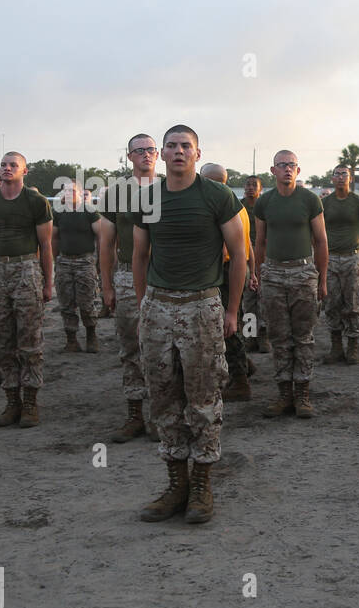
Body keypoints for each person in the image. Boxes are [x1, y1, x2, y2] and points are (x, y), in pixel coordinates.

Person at [133, 125, 246, 524]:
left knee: (203, 398)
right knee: (163, 396)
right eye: (172, 146)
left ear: (198, 153)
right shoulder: (149, 199)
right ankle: (175, 483)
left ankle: (201, 485)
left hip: (202, 306)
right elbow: (140, 255)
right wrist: (145, 302)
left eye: (186, 146)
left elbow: (239, 256)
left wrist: (232, 311)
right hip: (158, 308)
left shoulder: (218, 196)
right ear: (161, 154)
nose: (179, 151)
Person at [0, 153, 54, 427]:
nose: (6, 169)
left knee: (30, 340)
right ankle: (12, 402)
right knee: (2, 339)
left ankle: (31, 402)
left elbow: (46, 246)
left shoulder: (36, 202)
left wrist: (48, 282)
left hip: (26, 270)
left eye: (13, 166)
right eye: (3, 165)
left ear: (24, 171)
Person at [254, 150, 329, 418]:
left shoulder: (309, 200)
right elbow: (259, 241)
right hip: (273, 274)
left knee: (304, 337)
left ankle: (303, 395)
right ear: (273, 170)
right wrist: (258, 274)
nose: (287, 169)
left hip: (303, 273)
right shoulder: (264, 202)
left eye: (292, 165)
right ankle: (284, 394)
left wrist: (322, 279)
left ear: (299, 171)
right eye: (282, 165)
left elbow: (320, 241)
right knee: (279, 336)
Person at [97, 133, 160, 443]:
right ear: (129, 156)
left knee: (164, 348)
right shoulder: (116, 193)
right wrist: (106, 286)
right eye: (139, 151)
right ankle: (135, 414)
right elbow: (106, 244)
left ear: (158, 154)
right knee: (131, 346)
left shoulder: (171, 188)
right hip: (125, 278)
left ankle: (160, 415)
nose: (146, 155)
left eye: (151, 149)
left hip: (166, 279)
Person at [200, 163, 254, 401]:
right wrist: (251, 271)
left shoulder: (219, 205)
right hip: (237, 269)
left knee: (227, 326)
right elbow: (248, 243)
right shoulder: (237, 205)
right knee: (234, 322)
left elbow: (224, 248)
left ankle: (240, 380)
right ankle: (244, 367)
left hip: (223, 271)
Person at [320, 164, 359, 365]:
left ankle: (353, 346)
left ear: (350, 178)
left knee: (354, 303)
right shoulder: (325, 203)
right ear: (332, 179)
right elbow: (318, 234)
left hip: (353, 257)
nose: (341, 178)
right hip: (331, 258)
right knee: (331, 303)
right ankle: (336, 347)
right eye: (337, 174)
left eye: (345, 174)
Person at [52, 181, 102, 353]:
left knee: (87, 302)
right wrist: (55, 260)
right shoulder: (58, 213)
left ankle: (91, 336)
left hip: (85, 262)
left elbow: (101, 236)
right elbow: (54, 237)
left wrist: (99, 260)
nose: (68, 193)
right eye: (65, 191)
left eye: (72, 190)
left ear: (80, 193)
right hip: (64, 262)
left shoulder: (89, 212)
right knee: (66, 303)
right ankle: (71, 340)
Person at [241, 175, 267, 353]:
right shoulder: (239, 206)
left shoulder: (265, 206)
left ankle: (264, 336)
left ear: (260, 188)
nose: (250, 188)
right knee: (248, 300)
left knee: (264, 298)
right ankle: (250, 336)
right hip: (244, 257)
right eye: (248, 185)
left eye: (254, 185)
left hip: (264, 255)